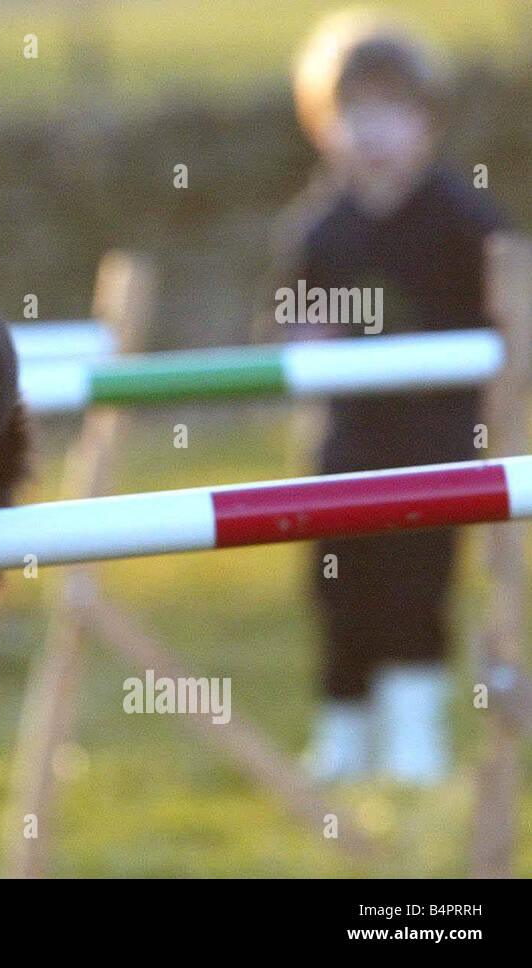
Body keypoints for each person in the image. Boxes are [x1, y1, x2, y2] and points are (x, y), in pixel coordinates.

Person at [278, 13, 528, 784]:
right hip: (344, 448)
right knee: (337, 587)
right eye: (355, 114)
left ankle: (416, 735)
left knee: (418, 584)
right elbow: (289, 316)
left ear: (426, 123)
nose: (374, 132)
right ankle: (344, 734)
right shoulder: (320, 230)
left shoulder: (464, 217)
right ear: (325, 127)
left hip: (440, 445)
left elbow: (511, 314)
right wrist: (303, 337)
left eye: (392, 113)